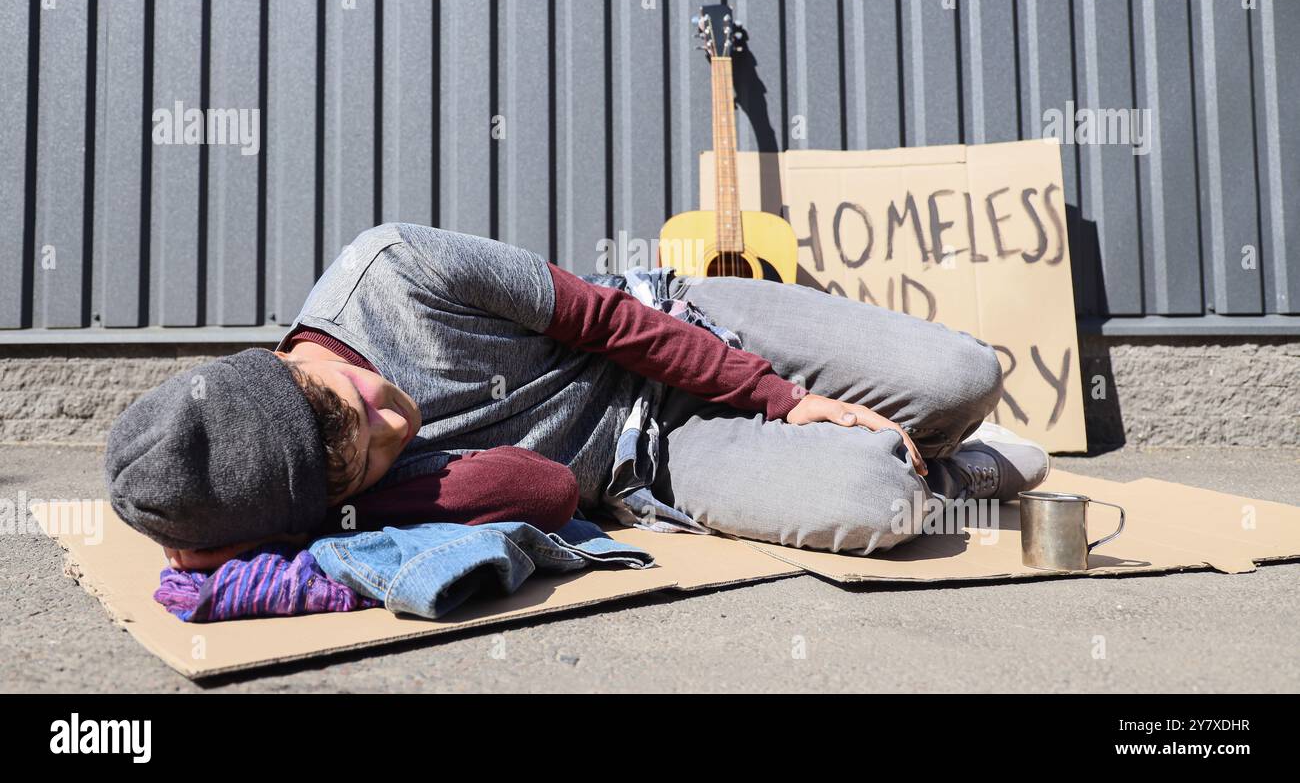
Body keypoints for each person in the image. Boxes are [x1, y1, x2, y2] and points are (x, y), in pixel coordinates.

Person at [104, 222, 1048, 572]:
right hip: (650, 459)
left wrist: (780, 398)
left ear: (289, 358)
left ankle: (918, 438)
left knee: (968, 373)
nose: (400, 419)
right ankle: (933, 468)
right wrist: (344, 504)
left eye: (359, 397)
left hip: (693, 335)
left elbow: (603, 318)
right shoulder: (333, 499)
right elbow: (546, 493)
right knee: (874, 504)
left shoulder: (395, 266)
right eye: (375, 456)